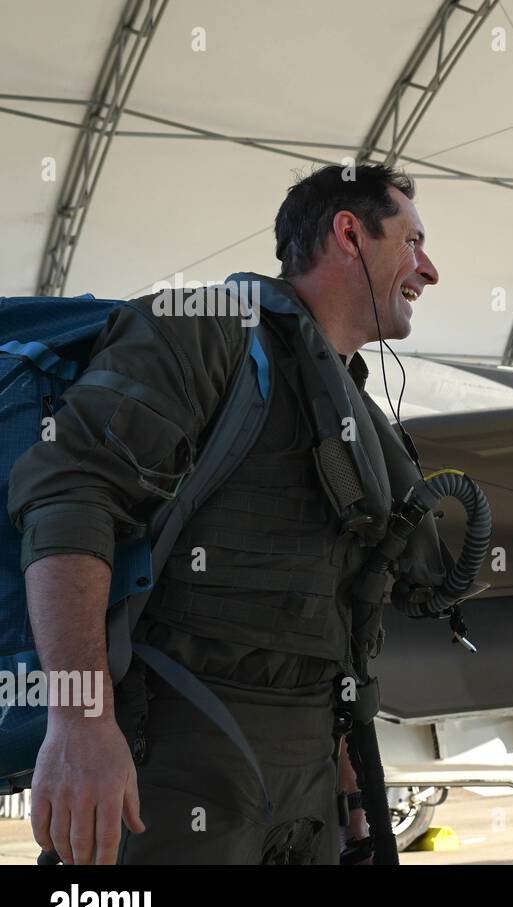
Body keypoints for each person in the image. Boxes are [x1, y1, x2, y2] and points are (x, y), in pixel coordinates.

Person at [7, 162, 443, 864]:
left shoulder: (349, 407)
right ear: (350, 234)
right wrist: (81, 723)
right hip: (176, 760)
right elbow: (69, 496)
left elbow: (324, 614)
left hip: (300, 783)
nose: (429, 270)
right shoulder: (207, 332)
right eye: (413, 242)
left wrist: (345, 780)